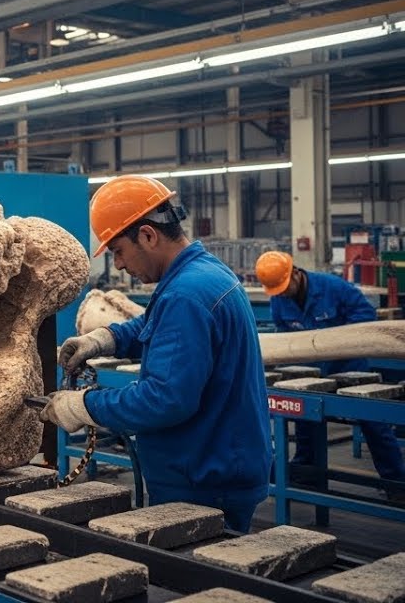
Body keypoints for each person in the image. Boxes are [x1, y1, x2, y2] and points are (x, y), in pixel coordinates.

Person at [44, 175, 271, 532]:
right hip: (216, 463)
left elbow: (165, 399)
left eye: (118, 250)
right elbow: (154, 327)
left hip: (203, 481)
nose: (118, 265)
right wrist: (103, 339)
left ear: (148, 235)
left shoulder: (185, 294)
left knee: (199, 580)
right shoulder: (200, 275)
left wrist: (83, 406)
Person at [256, 250, 405, 500]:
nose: (281, 294)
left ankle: (395, 481)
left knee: (373, 423)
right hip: (310, 371)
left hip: (348, 368)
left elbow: (365, 318)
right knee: (303, 419)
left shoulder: (333, 287)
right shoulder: (279, 298)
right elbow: (285, 333)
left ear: (294, 274)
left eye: (283, 287)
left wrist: (334, 342)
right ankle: (306, 472)